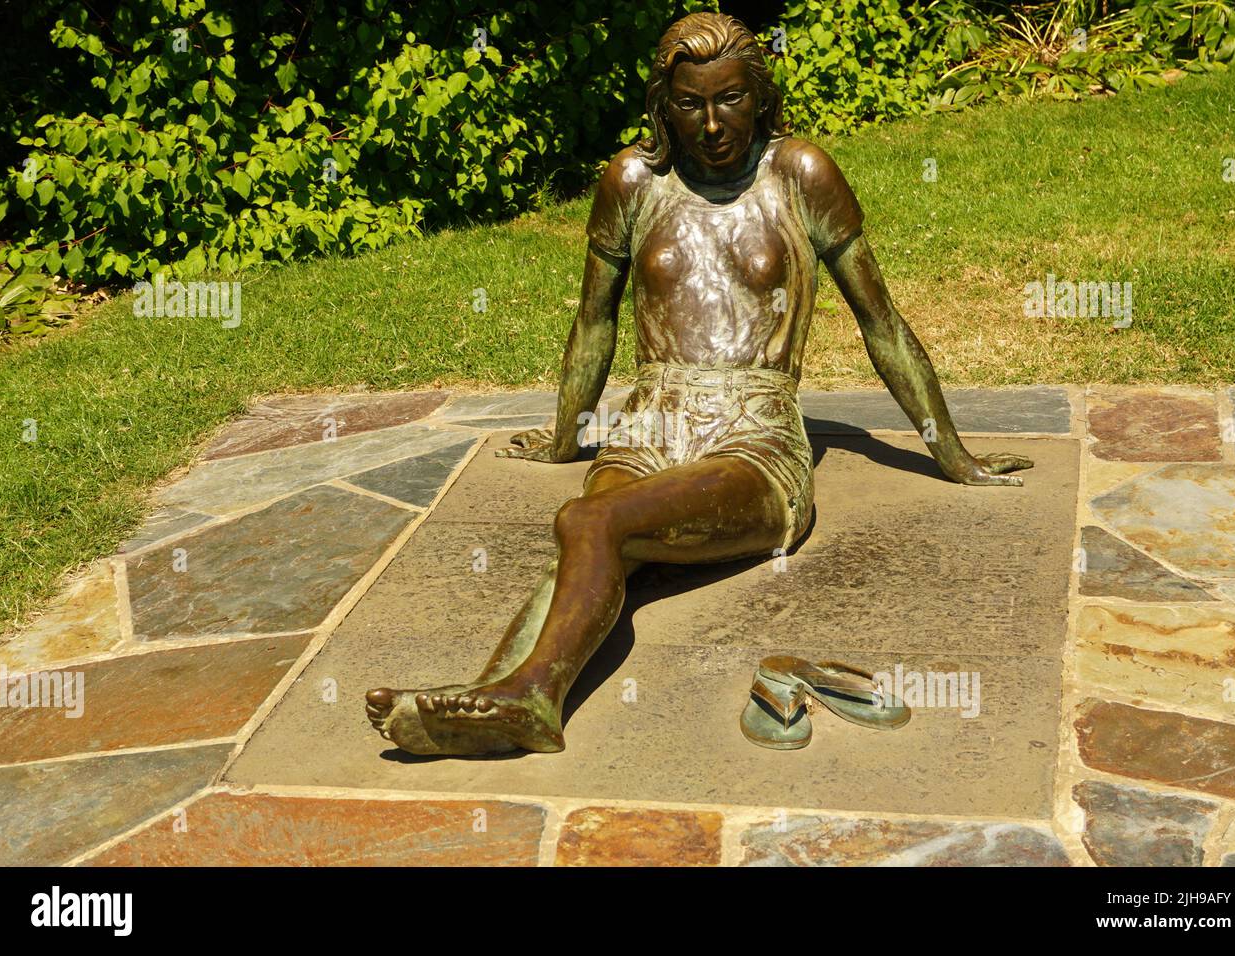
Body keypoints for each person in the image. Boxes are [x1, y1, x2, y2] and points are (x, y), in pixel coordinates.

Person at [365, 12, 1031, 756]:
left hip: (753, 439)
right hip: (648, 425)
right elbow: (593, 325)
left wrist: (952, 453)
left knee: (592, 527)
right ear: (664, 105)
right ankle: (503, 698)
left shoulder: (800, 174)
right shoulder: (632, 181)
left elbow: (881, 322)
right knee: (597, 540)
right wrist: (565, 440)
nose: (713, 124)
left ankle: (519, 695)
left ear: (760, 97)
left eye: (731, 99)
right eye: (690, 104)